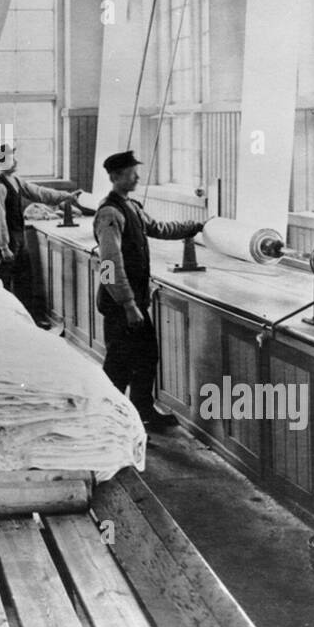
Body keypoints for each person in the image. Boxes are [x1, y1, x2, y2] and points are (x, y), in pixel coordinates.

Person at [93, 150, 203, 432]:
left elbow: (158, 228)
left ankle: (141, 413)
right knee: (119, 363)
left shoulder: (131, 206)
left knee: (145, 357)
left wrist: (196, 226)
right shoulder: (110, 213)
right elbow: (107, 264)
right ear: (116, 177)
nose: (137, 176)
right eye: (131, 173)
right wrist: (128, 304)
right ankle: (110, 420)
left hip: (135, 301)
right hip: (122, 305)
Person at [0, 143, 83, 328]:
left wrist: (67, 196)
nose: (15, 160)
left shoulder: (16, 181)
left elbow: (40, 193)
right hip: (7, 242)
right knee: (1, 283)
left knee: (24, 281)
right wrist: (4, 247)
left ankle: (28, 321)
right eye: (11, 157)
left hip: (19, 238)